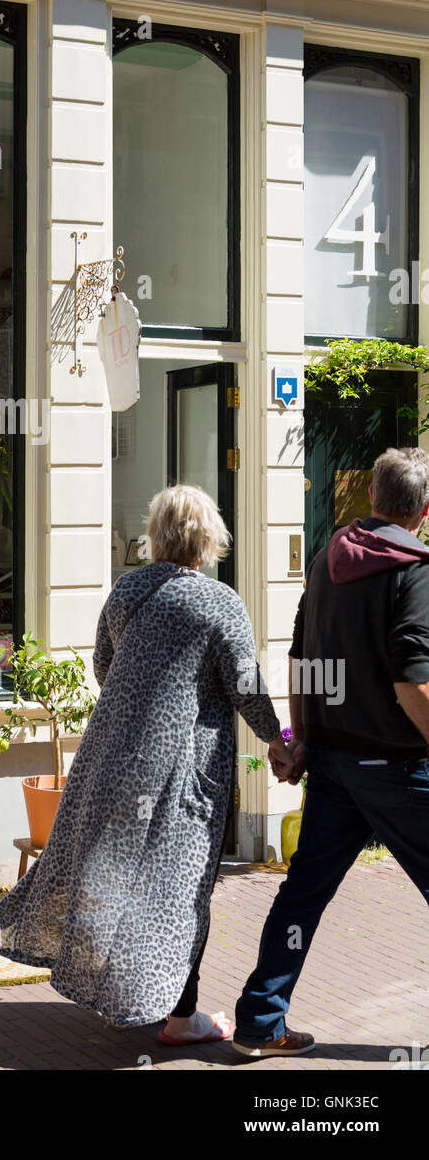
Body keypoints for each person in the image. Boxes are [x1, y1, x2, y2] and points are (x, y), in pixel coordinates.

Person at [0, 484, 291, 1042]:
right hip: (178, 774)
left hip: (109, 759)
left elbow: (104, 666)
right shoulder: (218, 603)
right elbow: (245, 685)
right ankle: (179, 1017)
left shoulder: (127, 590)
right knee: (177, 890)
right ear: (209, 536)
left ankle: (120, 990)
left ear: (156, 533)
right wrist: (279, 739)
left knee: (106, 875)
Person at [233, 446, 429, 1059]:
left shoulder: (325, 561)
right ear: (426, 509)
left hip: (335, 766)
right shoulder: (416, 571)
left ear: (372, 497)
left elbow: (303, 663)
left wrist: (301, 740)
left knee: (304, 893)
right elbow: (411, 682)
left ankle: (261, 1023)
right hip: (399, 766)